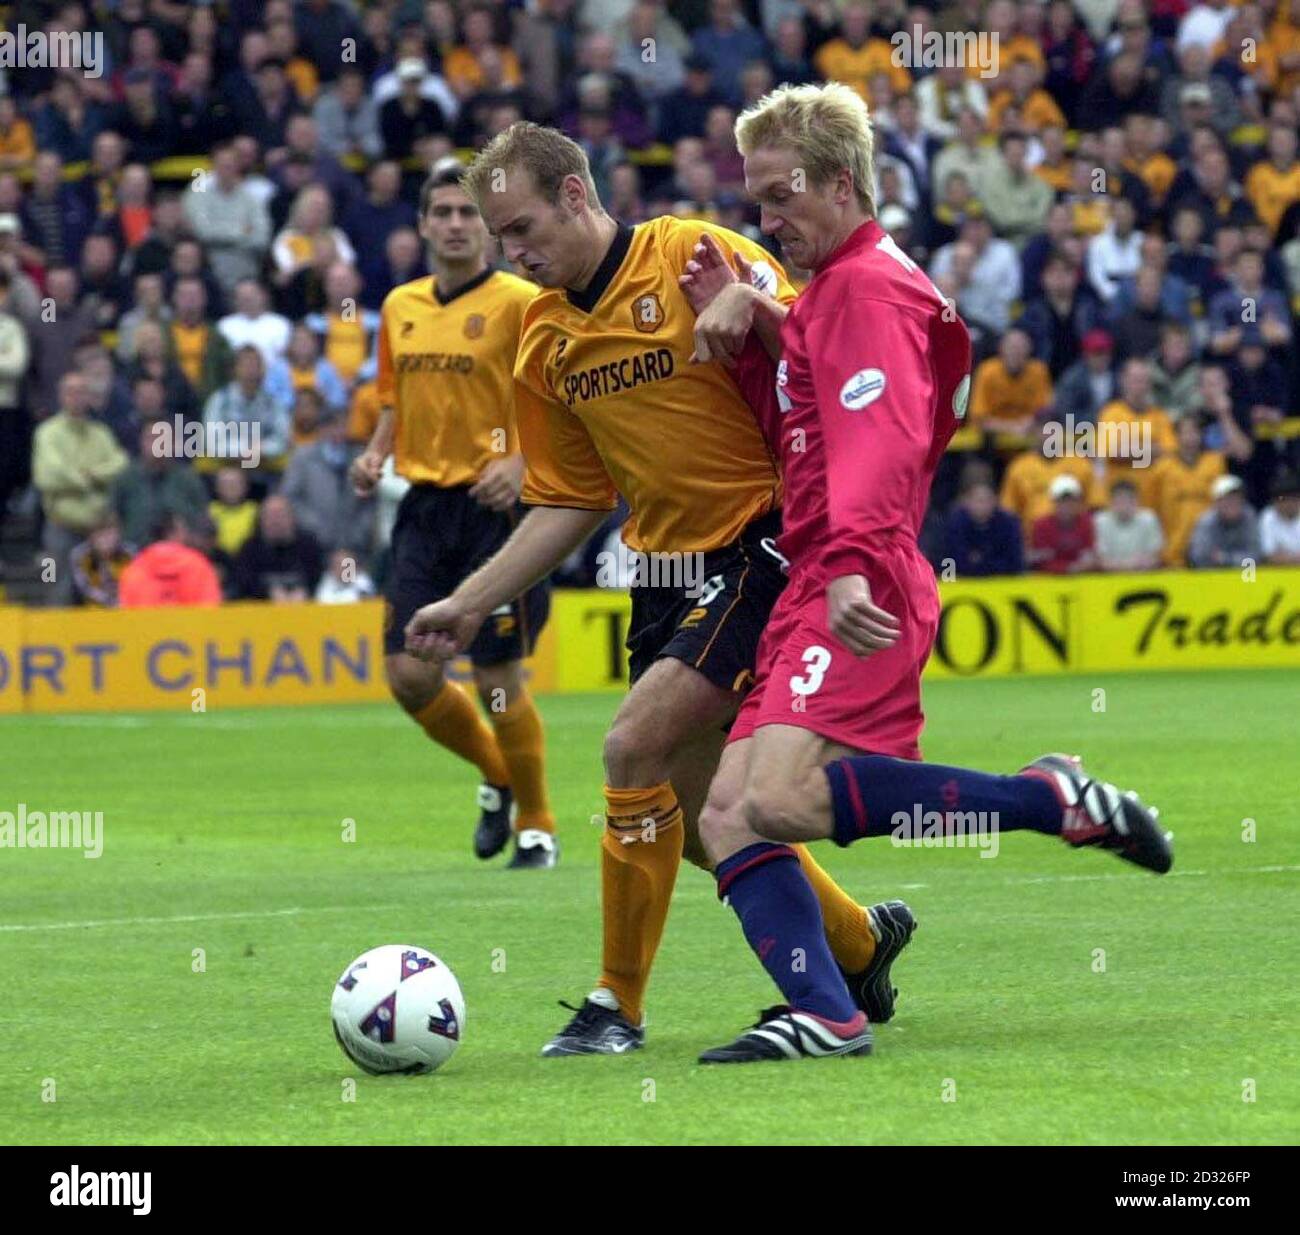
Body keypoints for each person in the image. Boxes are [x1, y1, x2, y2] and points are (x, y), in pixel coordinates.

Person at [681, 82, 1169, 1064]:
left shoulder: (865, 290)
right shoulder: (836, 291)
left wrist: (853, 564)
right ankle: (825, 1009)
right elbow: (809, 420)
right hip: (818, 571)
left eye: (779, 198)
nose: (764, 221)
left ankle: (1043, 798)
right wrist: (751, 316)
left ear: (841, 183)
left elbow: (881, 437)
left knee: (772, 800)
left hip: (855, 575)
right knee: (725, 808)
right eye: (755, 203)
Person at [405, 123, 890, 1058]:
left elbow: (840, 348)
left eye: (520, 228)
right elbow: (570, 499)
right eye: (501, 237)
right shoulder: (544, 339)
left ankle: (616, 1008)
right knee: (708, 822)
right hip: (662, 573)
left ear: (579, 196)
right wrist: (470, 601)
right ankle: (860, 944)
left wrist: (749, 300)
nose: (513, 252)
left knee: (630, 746)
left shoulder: (691, 255)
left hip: (766, 540)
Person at [350, 162, 557, 871]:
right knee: (409, 674)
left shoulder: (523, 302)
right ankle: (499, 774)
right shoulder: (400, 306)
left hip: (498, 509)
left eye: (469, 213)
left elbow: (562, 394)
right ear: (422, 224)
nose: (456, 224)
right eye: (442, 212)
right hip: (424, 504)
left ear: (490, 225)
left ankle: (537, 824)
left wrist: (525, 460)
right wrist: (376, 452)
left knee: (498, 677)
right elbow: (392, 398)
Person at [32, 372, 129, 606]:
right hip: (58, 528)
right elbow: (46, 477)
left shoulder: (101, 433)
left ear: (89, 397)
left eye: (81, 392)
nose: (76, 397)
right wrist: (91, 479)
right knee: (53, 583)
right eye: (70, 392)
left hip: (99, 532)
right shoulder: (47, 433)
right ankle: (53, 635)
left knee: (105, 590)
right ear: (61, 396)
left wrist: (84, 475)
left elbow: (121, 464)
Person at [1187, 474, 1261, 568]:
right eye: (1227, 498)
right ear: (1217, 502)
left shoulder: (1249, 517)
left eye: (1236, 498)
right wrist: (1237, 559)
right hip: (1211, 577)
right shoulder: (1206, 522)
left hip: (1242, 576)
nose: (1233, 503)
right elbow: (1199, 557)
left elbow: (1255, 556)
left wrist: (1225, 558)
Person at [1094, 479, 1164, 571]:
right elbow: (1101, 561)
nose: (1124, 505)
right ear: (1111, 502)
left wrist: (1120, 564)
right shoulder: (1100, 521)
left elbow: (1156, 558)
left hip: (1143, 576)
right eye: (1120, 500)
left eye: (1129, 499)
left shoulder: (1149, 519)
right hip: (1110, 577)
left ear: (1137, 501)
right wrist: (1130, 564)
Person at [1260, 472, 1300, 564]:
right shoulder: (1267, 517)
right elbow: (1269, 556)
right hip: (1279, 573)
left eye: (1293, 498)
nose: (1289, 504)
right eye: (1283, 500)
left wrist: (1285, 557)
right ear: (1274, 502)